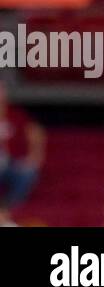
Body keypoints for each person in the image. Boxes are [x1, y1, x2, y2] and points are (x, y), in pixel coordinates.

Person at [0, 83, 45, 212]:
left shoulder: (15, 114)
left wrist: (35, 156)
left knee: (29, 171)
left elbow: (37, 132)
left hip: (14, 163)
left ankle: (9, 209)